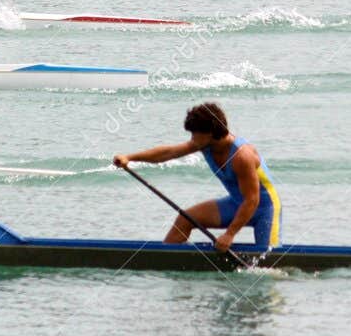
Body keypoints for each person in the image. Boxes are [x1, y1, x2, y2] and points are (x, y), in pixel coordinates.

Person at [112, 102, 279, 251]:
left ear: (210, 133)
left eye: (194, 134)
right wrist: (130, 158)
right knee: (185, 219)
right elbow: (168, 153)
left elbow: (252, 200)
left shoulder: (242, 156)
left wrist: (229, 235)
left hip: (265, 210)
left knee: (267, 263)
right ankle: (165, 260)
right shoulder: (204, 144)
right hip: (237, 203)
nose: (192, 138)